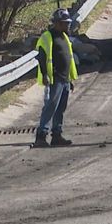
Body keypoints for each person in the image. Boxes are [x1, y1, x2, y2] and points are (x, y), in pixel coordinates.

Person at [34, 9, 78, 148]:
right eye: (65, 23)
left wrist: (70, 79)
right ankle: (41, 135)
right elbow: (41, 57)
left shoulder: (64, 37)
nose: (67, 25)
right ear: (58, 23)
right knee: (51, 106)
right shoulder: (47, 37)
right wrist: (46, 75)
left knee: (61, 108)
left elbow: (68, 58)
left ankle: (57, 135)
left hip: (64, 79)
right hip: (54, 79)